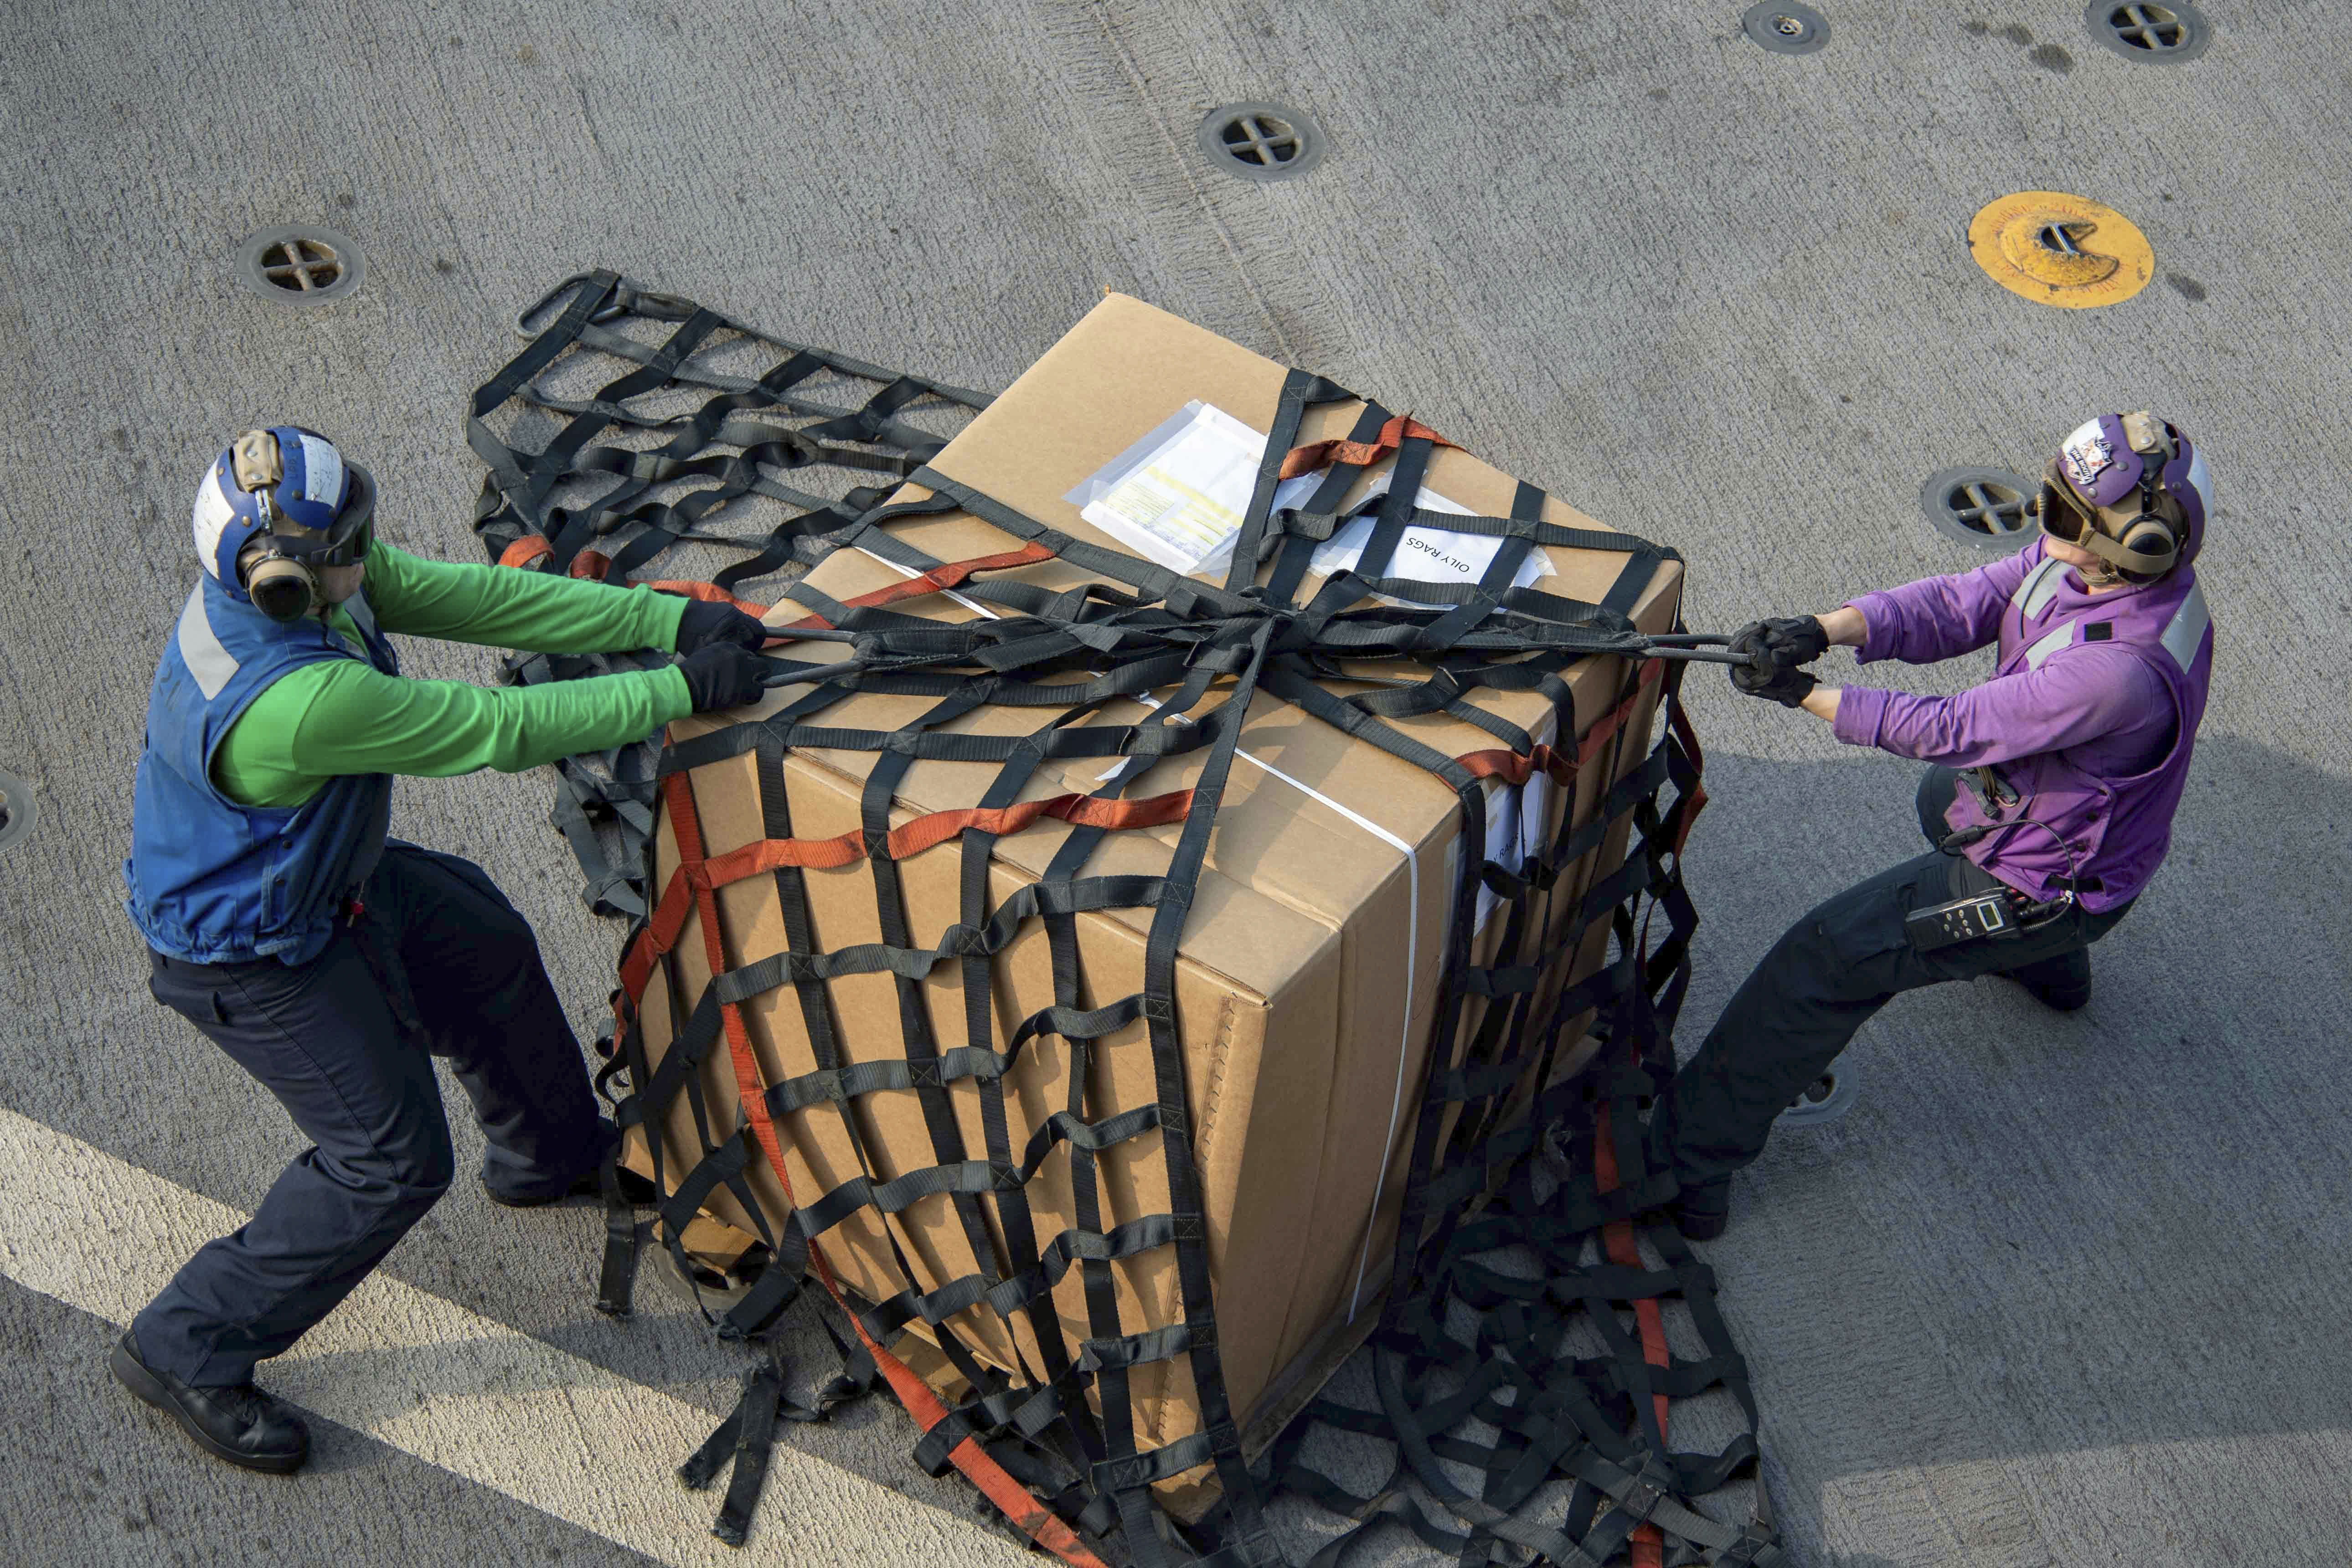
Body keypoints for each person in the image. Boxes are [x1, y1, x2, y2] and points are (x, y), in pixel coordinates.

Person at [111, 426, 772, 1472]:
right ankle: (183, 1342)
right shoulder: (300, 700)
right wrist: (682, 690)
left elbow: (479, 600)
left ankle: (550, 1157)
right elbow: (494, 728)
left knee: (484, 947)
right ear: (285, 574)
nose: (370, 552)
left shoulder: (302, 586)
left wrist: (668, 620)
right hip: (253, 954)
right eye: (353, 542)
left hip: (322, 881)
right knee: (390, 1163)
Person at [1649, 411, 2215, 1240]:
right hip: (2083, 841)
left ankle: (1686, 1166)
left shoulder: (2115, 673)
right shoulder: (2103, 576)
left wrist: (1803, 695)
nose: (2043, 520)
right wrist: (1826, 629)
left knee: (1826, 960)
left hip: (2038, 885)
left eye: (2064, 511)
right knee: (1941, 800)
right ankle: (2053, 975)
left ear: (2135, 544)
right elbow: (1963, 601)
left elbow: (1955, 728)